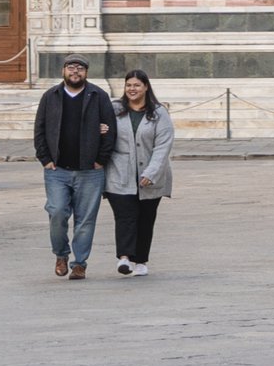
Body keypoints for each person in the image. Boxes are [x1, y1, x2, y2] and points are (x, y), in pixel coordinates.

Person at [33, 54, 118, 278]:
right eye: (71, 67)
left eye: (80, 68)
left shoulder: (98, 96)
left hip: (90, 170)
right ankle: (61, 254)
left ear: (86, 72)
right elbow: (39, 129)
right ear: (63, 71)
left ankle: (80, 263)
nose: (75, 71)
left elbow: (111, 129)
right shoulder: (50, 96)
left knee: (85, 219)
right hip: (57, 170)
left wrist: (100, 160)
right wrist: (45, 158)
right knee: (57, 212)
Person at [104, 69, 175, 274]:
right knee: (124, 216)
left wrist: (151, 173)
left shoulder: (159, 112)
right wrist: (101, 129)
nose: (132, 89)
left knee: (145, 218)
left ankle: (141, 261)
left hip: (151, 175)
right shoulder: (114, 109)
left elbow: (163, 145)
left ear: (145, 87)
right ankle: (124, 258)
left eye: (136, 85)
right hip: (119, 173)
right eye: (128, 85)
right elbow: (102, 129)